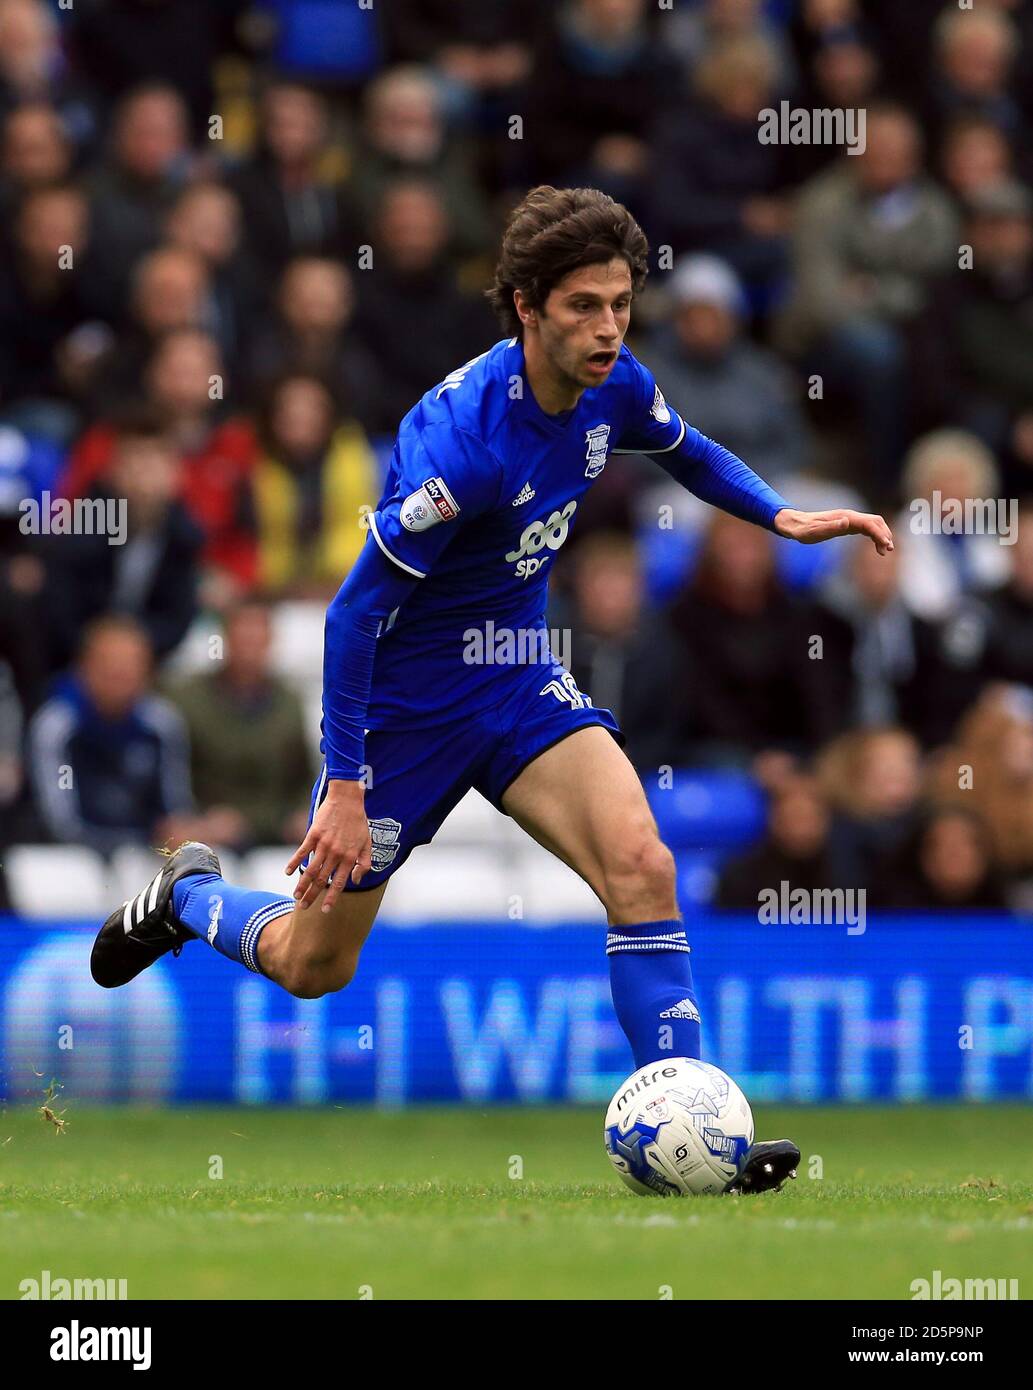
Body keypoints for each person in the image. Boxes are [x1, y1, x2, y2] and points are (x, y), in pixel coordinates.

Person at [91, 186, 893, 1194]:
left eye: (618, 303)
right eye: (582, 308)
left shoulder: (612, 381)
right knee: (311, 966)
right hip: (404, 716)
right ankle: (191, 894)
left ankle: (691, 1131)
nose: (607, 328)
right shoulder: (461, 446)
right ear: (525, 307)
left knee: (642, 863)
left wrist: (779, 516)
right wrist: (343, 783)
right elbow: (349, 617)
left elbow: (684, 449)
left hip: (513, 676)